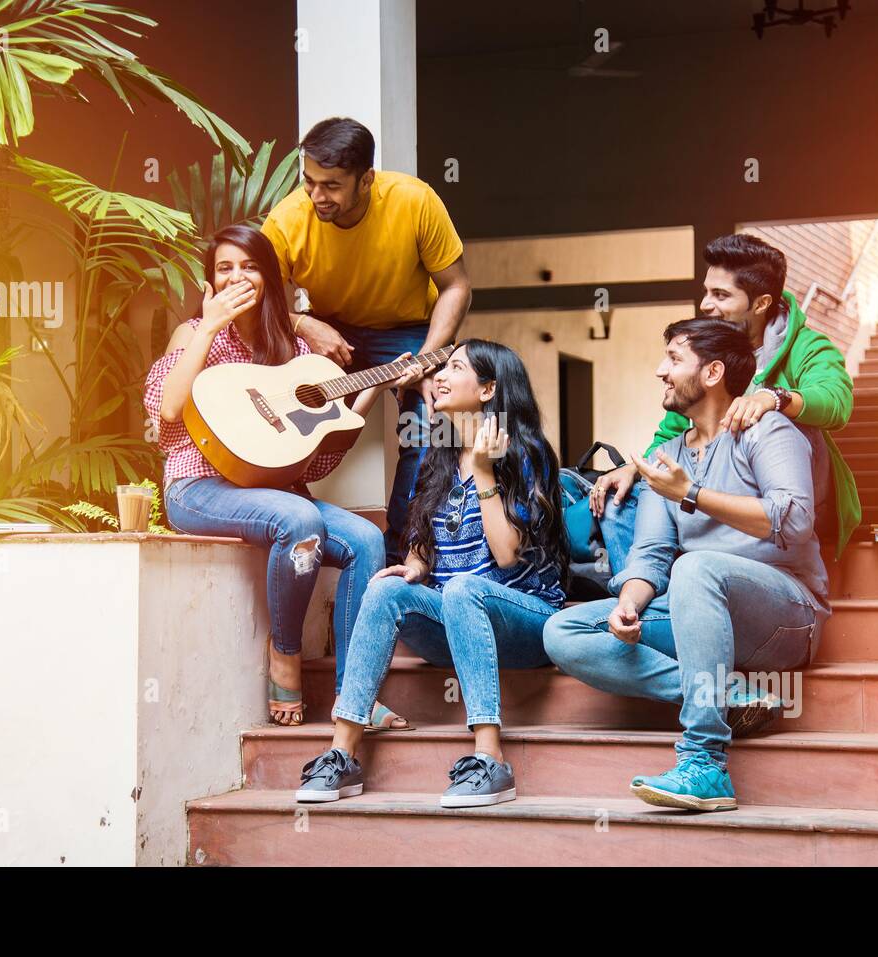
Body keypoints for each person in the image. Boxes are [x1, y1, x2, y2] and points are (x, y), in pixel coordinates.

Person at [143, 225, 425, 728]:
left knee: (365, 539)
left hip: (275, 489)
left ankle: (354, 693)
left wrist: (378, 385)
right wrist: (208, 328)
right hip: (199, 486)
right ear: (209, 282)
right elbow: (167, 409)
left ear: (270, 278)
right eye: (224, 268)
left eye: (249, 266)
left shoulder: (294, 350)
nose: (237, 278)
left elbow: (313, 451)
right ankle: (285, 653)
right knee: (299, 520)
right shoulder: (193, 334)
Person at [544, 318, 831, 811]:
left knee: (695, 568)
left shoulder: (767, 431)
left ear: (714, 371)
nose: (661, 371)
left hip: (785, 614)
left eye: (675, 359)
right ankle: (730, 693)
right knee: (564, 631)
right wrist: (629, 605)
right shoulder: (667, 455)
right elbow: (652, 556)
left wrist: (691, 494)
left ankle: (705, 761)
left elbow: (795, 520)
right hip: (699, 617)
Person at [294, 340, 569, 808]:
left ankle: (489, 759)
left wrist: (483, 472)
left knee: (464, 589)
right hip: (459, 618)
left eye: (455, 367)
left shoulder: (527, 453)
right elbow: (423, 531)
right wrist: (416, 565)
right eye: (441, 368)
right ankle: (342, 754)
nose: (439, 376)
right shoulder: (438, 452)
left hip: (525, 621)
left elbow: (505, 556)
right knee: (386, 590)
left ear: (488, 389)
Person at [262, 117, 473, 566]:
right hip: (329, 329)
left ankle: (404, 545)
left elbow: (456, 287)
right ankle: (283, 517)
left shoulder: (414, 201)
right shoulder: (287, 221)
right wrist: (303, 324)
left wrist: (430, 358)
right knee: (284, 414)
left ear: (367, 180)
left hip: (411, 329)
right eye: (310, 182)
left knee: (430, 428)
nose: (317, 196)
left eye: (332, 186)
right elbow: (260, 302)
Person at [590, 233, 860, 571]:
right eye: (706, 291)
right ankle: (642, 594)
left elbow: (836, 402)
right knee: (618, 501)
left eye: (720, 295)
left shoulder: (806, 346)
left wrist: (774, 398)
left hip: (784, 503)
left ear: (760, 304)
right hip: (709, 491)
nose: (705, 304)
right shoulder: (709, 351)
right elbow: (676, 427)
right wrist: (638, 466)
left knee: (793, 428)